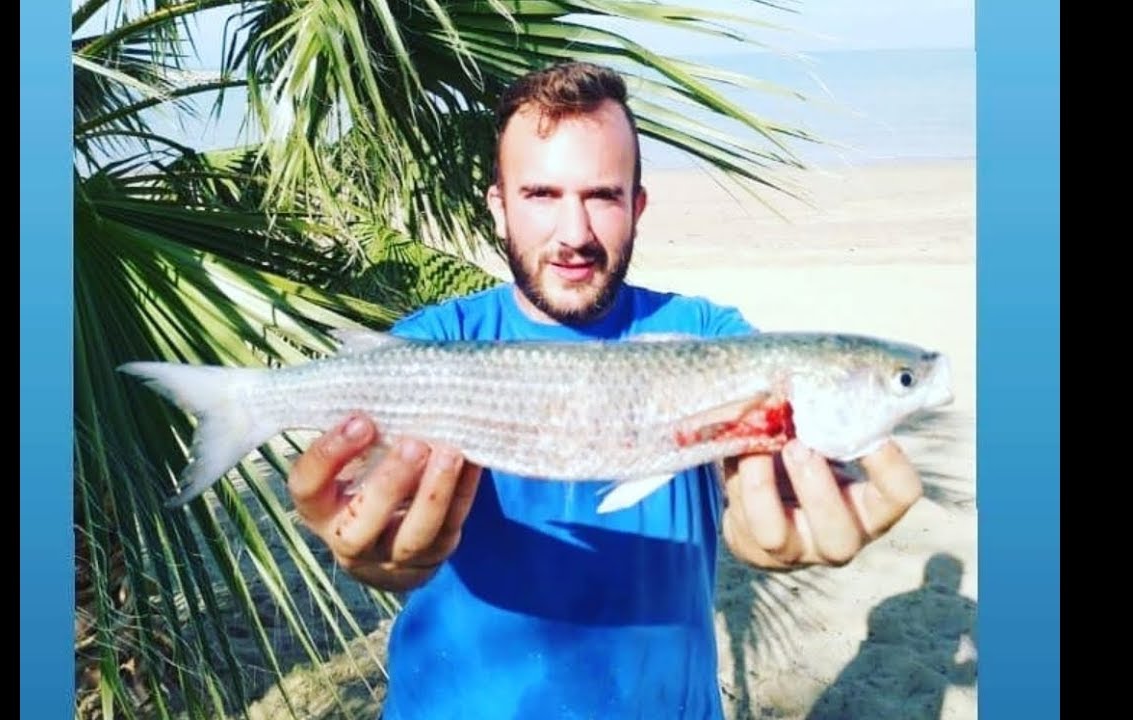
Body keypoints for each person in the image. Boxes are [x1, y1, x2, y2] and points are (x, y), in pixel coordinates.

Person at [286, 61, 925, 719]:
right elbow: (369, 505)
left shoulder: (709, 335)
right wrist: (366, 547)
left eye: (602, 195)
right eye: (540, 195)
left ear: (636, 205)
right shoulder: (433, 342)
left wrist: (776, 518)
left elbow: (751, 477)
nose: (574, 235)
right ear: (499, 207)